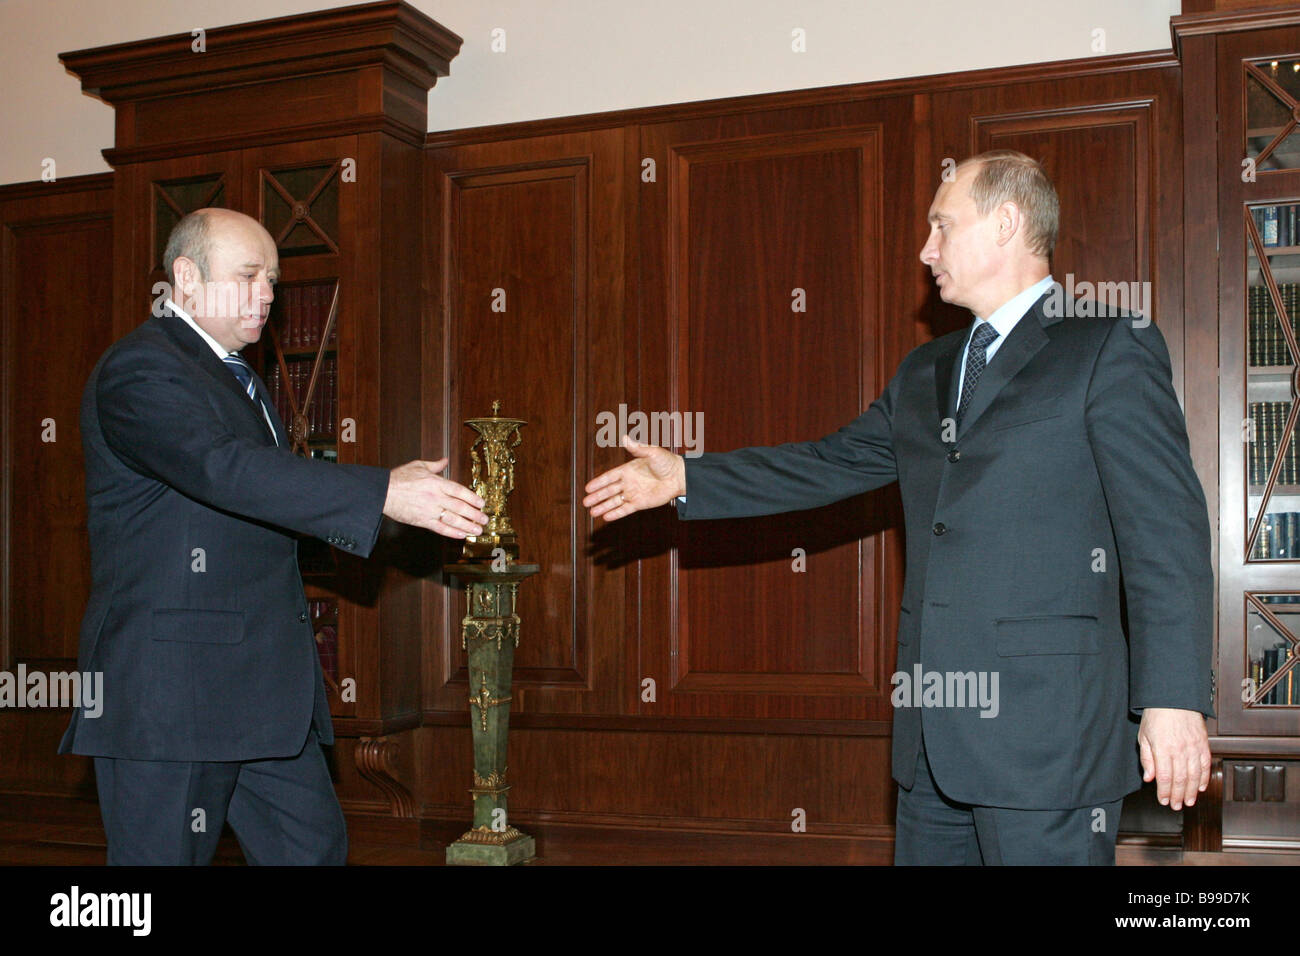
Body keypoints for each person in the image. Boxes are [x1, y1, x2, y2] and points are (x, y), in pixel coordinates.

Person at [583, 151, 1214, 865]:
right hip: (930, 746)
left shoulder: (1107, 347)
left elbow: (1169, 535)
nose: (926, 249)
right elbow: (828, 463)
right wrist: (690, 477)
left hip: (1049, 742)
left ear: (1007, 222)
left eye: (942, 226)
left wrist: (1173, 699)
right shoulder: (926, 370)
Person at [61, 207, 488, 865]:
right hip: (173, 694)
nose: (267, 294)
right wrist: (378, 493)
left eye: (274, 280)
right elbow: (222, 469)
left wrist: (389, 508)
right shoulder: (141, 368)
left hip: (259, 693)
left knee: (312, 850)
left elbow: (264, 507)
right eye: (249, 274)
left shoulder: (240, 377)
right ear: (186, 277)